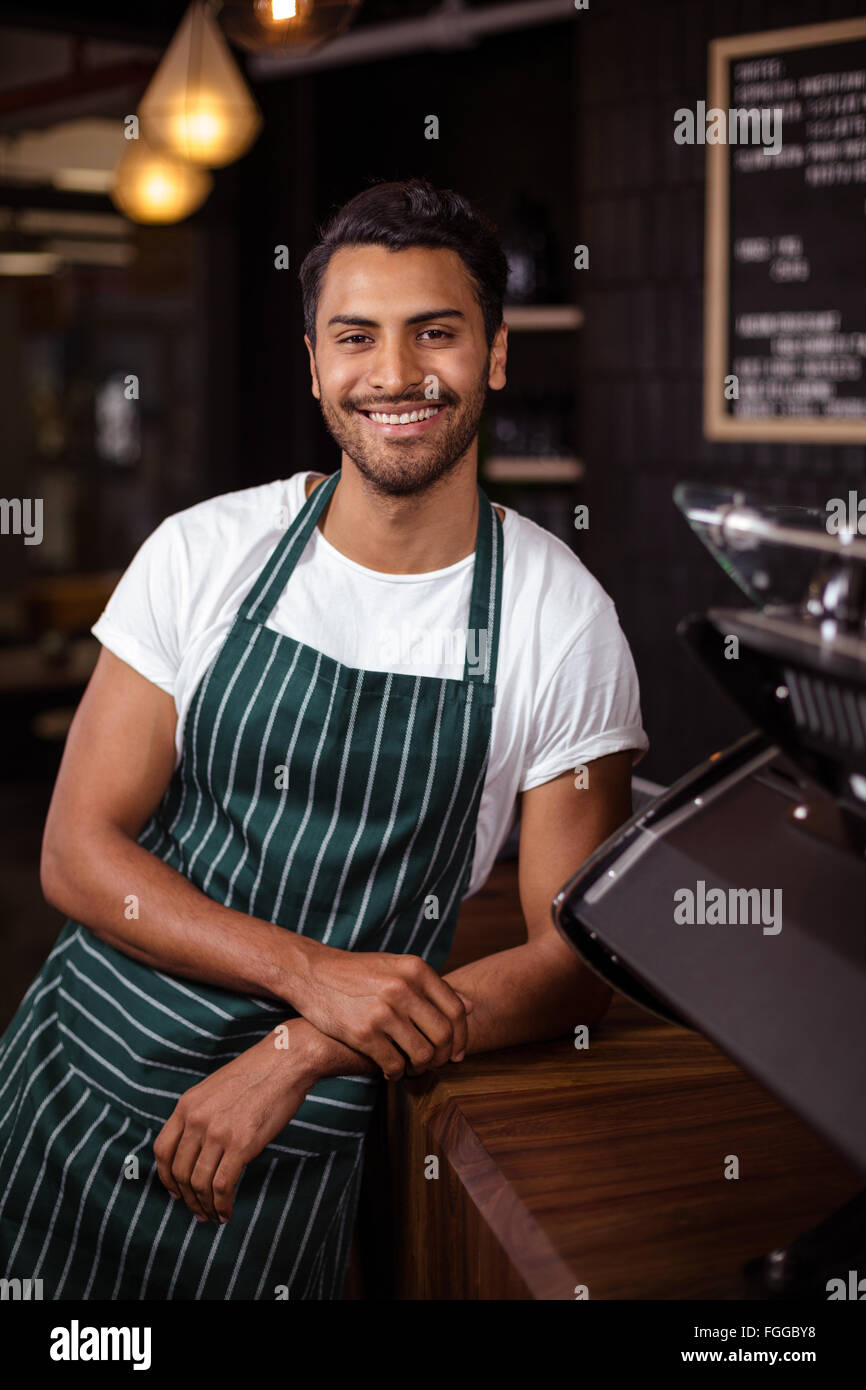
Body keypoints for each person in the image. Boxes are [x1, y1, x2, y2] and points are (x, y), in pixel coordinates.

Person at [0, 178, 648, 1300]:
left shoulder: (563, 620)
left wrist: (309, 1043)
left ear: (493, 354)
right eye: (356, 337)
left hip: (285, 1141)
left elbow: (573, 967)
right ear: (314, 364)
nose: (394, 375)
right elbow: (76, 852)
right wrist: (313, 974)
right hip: (75, 1070)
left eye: (434, 333)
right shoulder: (203, 553)